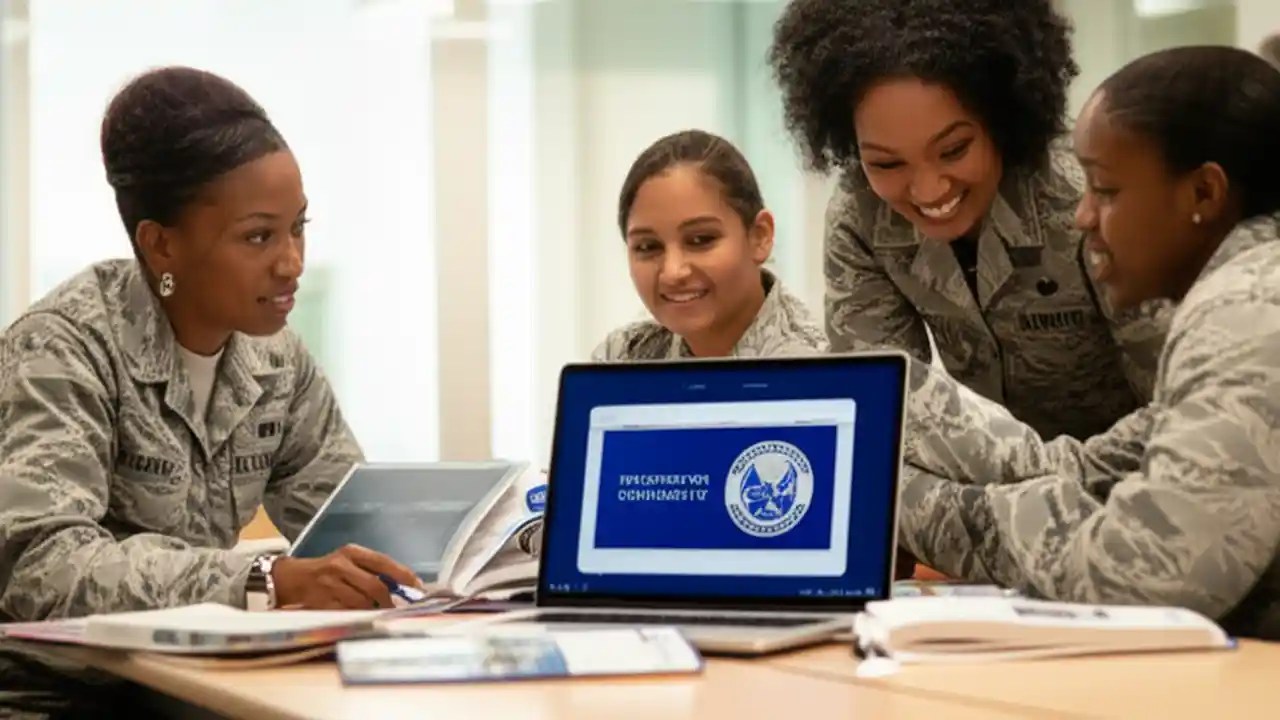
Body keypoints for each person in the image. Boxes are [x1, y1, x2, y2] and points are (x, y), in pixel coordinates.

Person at [0, 66, 419, 717]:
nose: (292, 263)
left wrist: (480, 551)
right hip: (47, 693)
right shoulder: (62, 348)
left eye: (298, 228)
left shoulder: (276, 359)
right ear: (161, 244)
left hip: (187, 681)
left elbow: (350, 520)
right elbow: (43, 567)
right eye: (258, 237)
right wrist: (263, 580)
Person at [897, 46, 1280, 639]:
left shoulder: (1247, 311)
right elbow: (1083, 468)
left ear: (1204, 194)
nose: (1081, 217)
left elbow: (1144, 573)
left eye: (1105, 189)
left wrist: (905, 506)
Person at [767, 0, 1169, 440]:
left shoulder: (1087, 196)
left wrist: (1035, 494)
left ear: (999, 119)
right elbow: (884, 414)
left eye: (954, 150)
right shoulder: (859, 218)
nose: (928, 190)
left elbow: (1176, 406)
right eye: (886, 164)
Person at [592, 129, 825, 360]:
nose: (673, 272)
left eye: (700, 240)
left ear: (760, 236)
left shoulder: (825, 367)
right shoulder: (622, 360)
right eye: (648, 247)